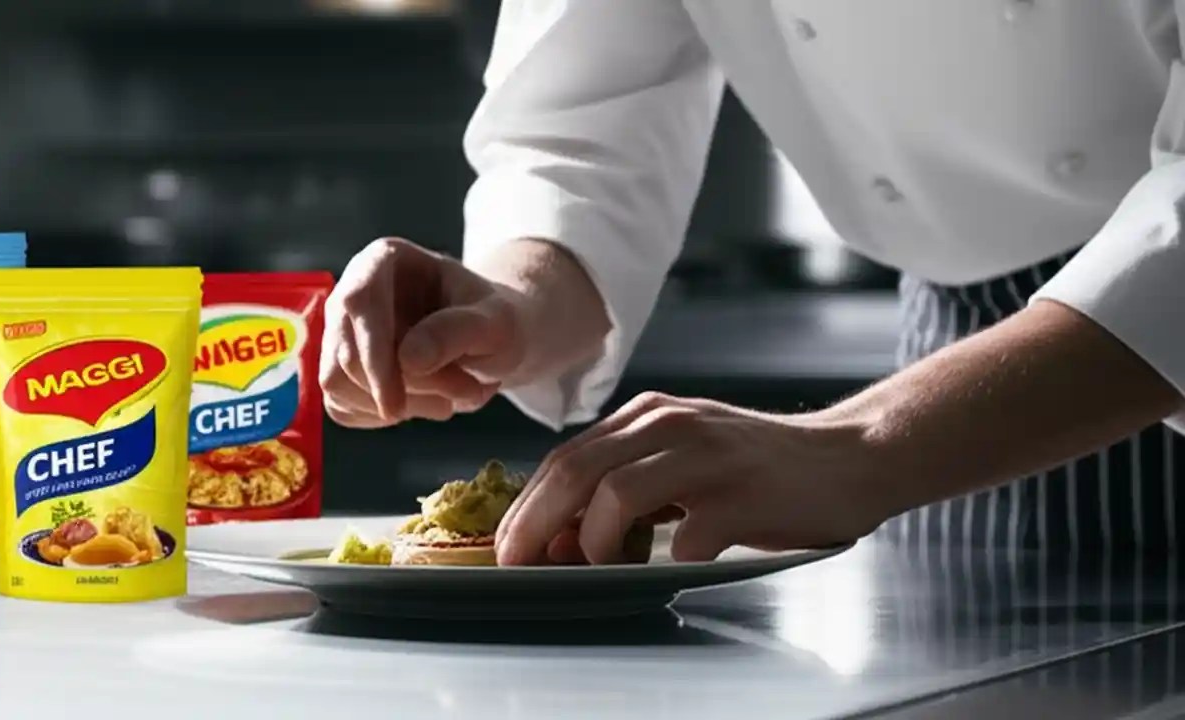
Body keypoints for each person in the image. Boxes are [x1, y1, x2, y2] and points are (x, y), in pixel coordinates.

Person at [320, 1, 1185, 566]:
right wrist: (514, 297)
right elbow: (583, 123)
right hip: (943, 368)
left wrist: (859, 447)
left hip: (1127, 364)